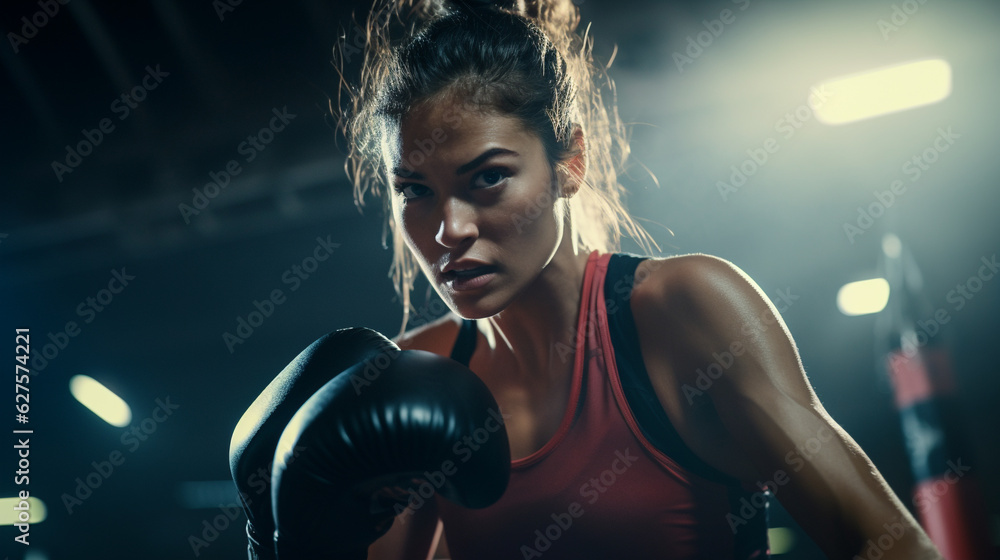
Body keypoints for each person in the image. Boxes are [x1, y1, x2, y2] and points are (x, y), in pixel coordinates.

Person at [327, 0, 946, 558]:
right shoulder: (414, 375)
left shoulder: (681, 310)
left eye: (487, 177)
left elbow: (891, 545)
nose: (448, 229)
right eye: (416, 190)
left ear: (570, 160)